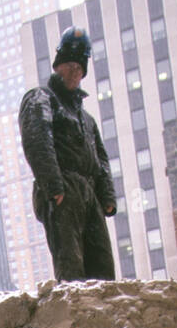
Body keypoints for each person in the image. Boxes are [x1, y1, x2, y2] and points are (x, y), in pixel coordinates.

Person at [19, 26, 117, 282]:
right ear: (58, 66)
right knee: (71, 266)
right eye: (69, 65)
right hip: (64, 188)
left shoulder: (87, 119)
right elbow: (37, 139)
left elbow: (101, 160)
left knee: (103, 267)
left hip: (88, 193)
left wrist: (106, 196)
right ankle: (74, 318)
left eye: (79, 68)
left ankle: (103, 320)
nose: (74, 72)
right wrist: (54, 187)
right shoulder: (41, 98)